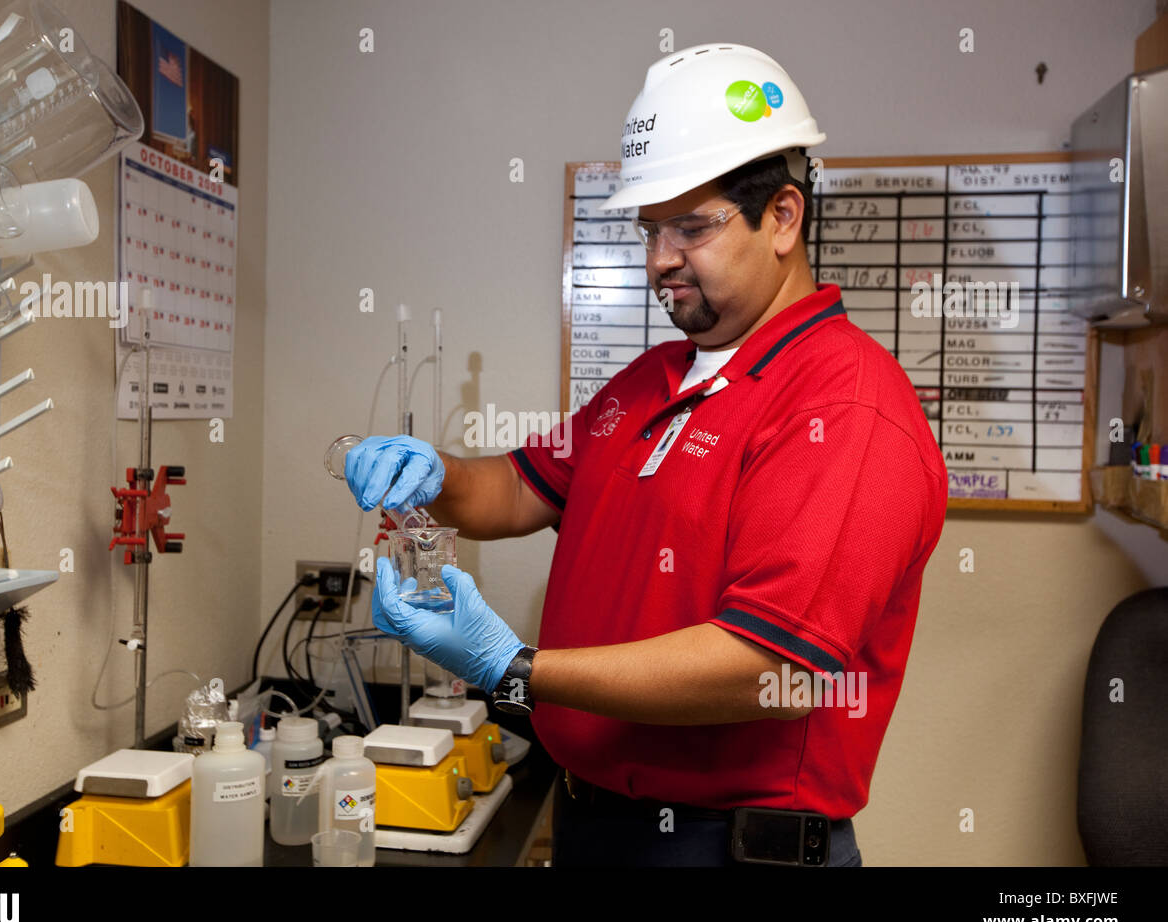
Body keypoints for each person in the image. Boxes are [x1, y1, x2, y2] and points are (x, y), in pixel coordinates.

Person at [347, 44, 948, 867]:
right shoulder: (652, 379)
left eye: (691, 226)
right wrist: (435, 473)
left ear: (782, 217)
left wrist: (510, 664)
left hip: (729, 847)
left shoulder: (843, 404)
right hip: (596, 821)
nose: (659, 258)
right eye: (649, 229)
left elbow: (764, 667)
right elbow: (521, 490)